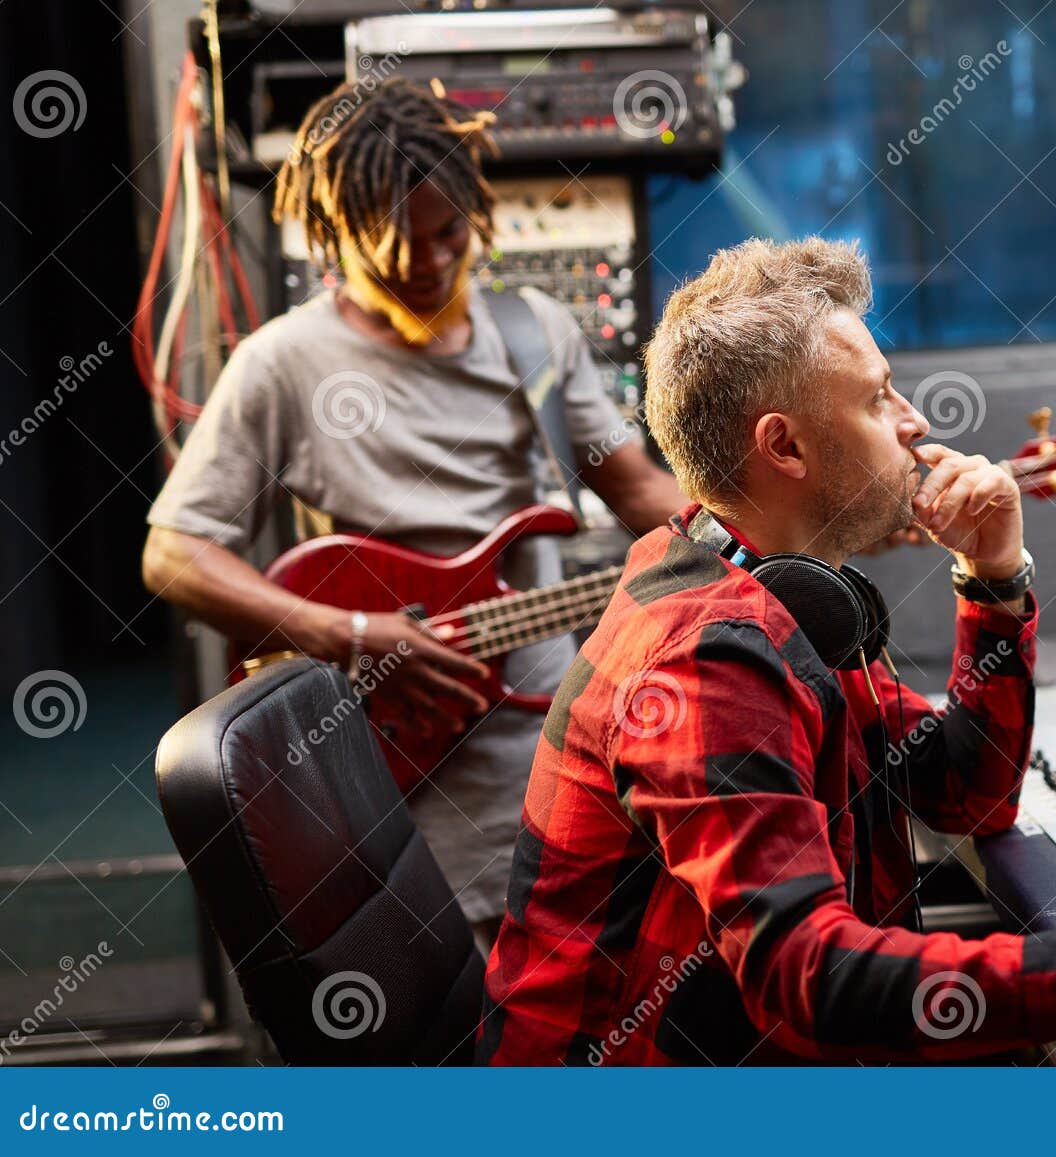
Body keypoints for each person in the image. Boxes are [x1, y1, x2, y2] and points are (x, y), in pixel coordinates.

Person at [478, 237, 1056, 1064]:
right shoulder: (707, 659)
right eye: (875, 398)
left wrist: (994, 574)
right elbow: (809, 978)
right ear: (782, 444)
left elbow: (968, 797)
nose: (911, 421)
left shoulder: (787, 597)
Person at [141, 79, 684, 949]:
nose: (424, 262)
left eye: (446, 234)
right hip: (395, 778)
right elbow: (173, 554)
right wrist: (349, 631)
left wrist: (761, 516)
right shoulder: (280, 363)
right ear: (329, 231)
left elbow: (638, 491)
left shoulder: (535, 330)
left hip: (556, 755)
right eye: (385, 241)